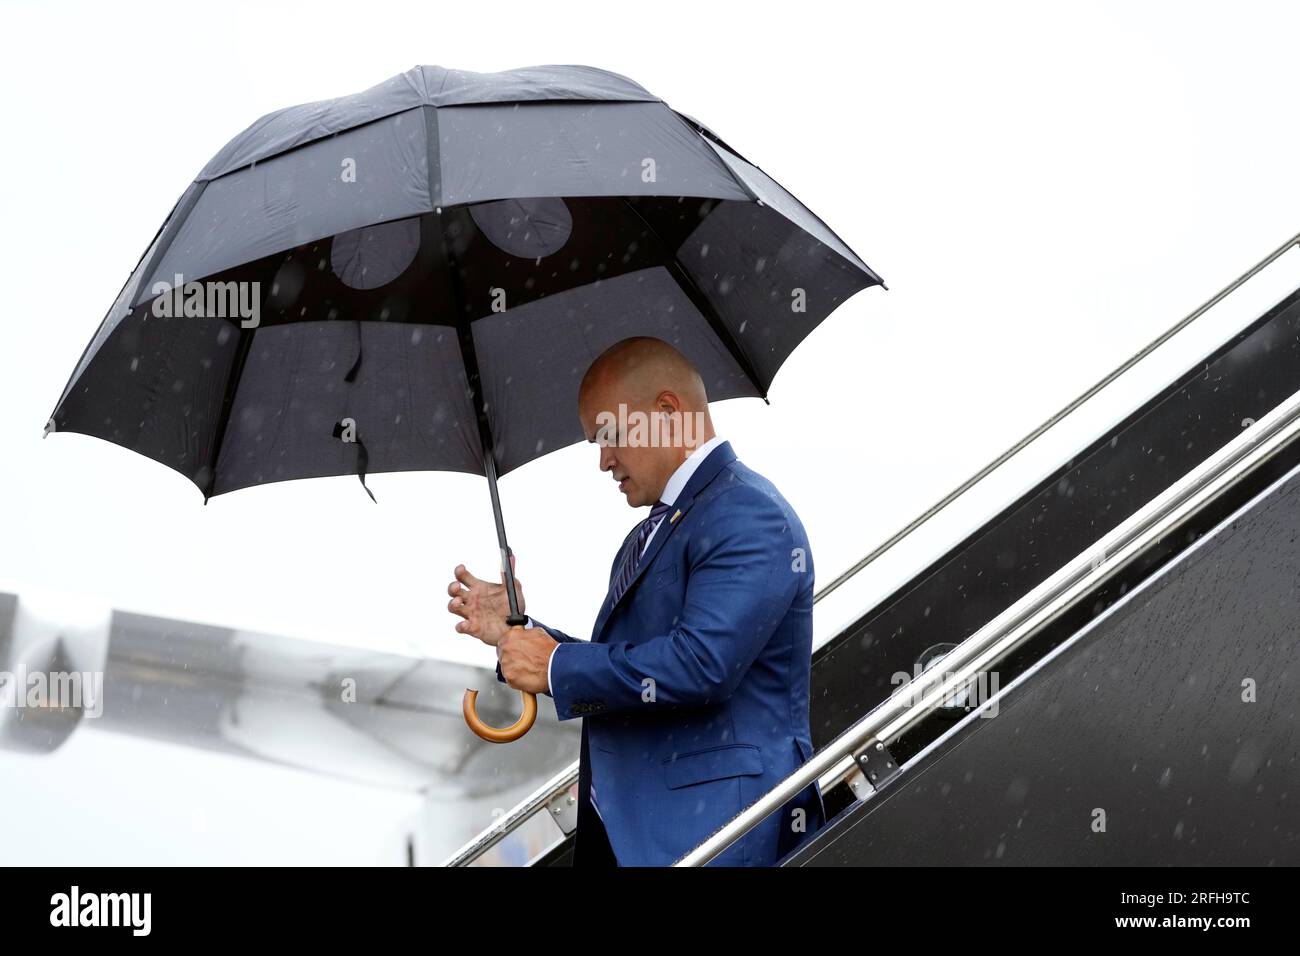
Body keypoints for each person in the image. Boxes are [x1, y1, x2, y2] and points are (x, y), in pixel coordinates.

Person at [446, 336, 825, 866]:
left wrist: (555, 665)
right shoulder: (655, 531)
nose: (604, 460)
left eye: (609, 435)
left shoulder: (747, 514)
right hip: (655, 835)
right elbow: (639, 665)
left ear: (667, 412)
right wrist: (521, 634)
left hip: (720, 832)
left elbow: (700, 664)